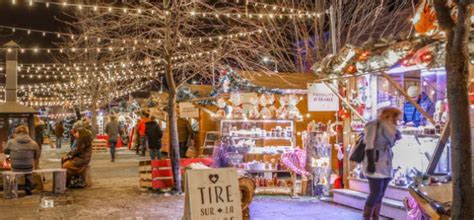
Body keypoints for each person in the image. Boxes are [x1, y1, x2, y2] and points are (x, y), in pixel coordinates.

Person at [363, 107, 402, 220]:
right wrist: (370, 162)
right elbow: (369, 144)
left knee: (380, 194)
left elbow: (390, 143)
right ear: (390, 115)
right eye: (396, 117)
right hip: (375, 161)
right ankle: (366, 217)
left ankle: (376, 217)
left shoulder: (392, 127)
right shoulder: (374, 125)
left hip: (386, 161)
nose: (397, 120)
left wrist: (396, 137)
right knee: (375, 192)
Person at [3, 125, 40, 196]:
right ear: (27, 133)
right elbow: (37, 156)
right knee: (29, 171)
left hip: (15, 166)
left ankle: (13, 187)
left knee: (14, 170)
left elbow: (6, 152)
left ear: (16, 132)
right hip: (28, 166)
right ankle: (28, 186)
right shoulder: (33, 143)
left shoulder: (11, 142)